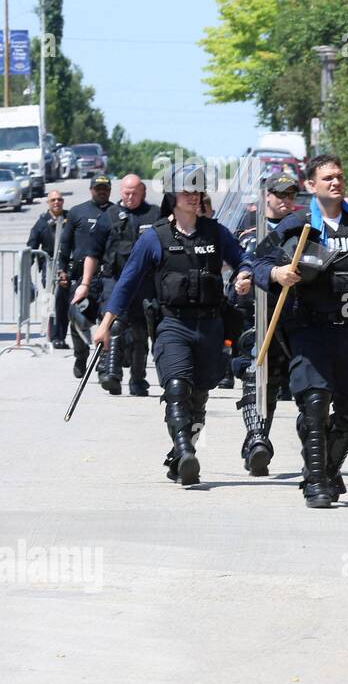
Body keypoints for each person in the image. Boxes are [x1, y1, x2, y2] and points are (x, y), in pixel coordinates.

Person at [250, 154, 348, 509]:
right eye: (327, 178)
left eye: (339, 177)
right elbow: (259, 261)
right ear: (312, 186)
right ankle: (316, 483)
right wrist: (277, 274)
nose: (335, 182)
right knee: (315, 404)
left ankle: (327, 470)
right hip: (309, 330)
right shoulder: (298, 224)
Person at [89, 165, 247, 485]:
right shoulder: (154, 237)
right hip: (173, 325)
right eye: (187, 191)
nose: (194, 197)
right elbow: (127, 283)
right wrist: (105, 324)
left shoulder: (215, 232)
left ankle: (179, 455)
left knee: (199, 400)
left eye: (198, 191)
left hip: (210, 326)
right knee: (177, 388)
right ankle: (186, 450)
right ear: (173, 196)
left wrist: (244, 275)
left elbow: (244, 259)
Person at [228, 173, 300, 476]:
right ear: (266, 196)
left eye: (290, 195)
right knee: (257, 378)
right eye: (279, 194)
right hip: (257, 316)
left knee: (290, 384)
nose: (285, 200)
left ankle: (262, 441)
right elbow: (240, 265)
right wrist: (241, 280)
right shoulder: (249, 232)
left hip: (295, 317)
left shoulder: (302, 229)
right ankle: (257, 440)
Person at [74, 174, 160, 396]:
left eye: (135, 193)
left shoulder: (154, 215)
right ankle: (111, 374)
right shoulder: (108, 216)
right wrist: (84, 283)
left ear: (143, 192)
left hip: (144, 282)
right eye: (126, 193)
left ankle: (138, 380)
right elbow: (93, 254)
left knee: (141, 329)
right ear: (120, 192)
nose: (130, 197)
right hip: (114, 279)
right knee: (114, 324)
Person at [60, 174, 114, 378]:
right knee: (78, 318)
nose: (102, 191)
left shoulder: (116, 212)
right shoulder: (77, 212)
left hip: (107, 275)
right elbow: (65, 244)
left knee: (105, 320)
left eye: (105, 188)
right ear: (91, 189)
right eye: (98, 188)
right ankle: (81, 355)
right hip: (81, 277)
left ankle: (103, 363)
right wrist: (62, 269)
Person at [27, 191, 70, 348]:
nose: (56, 202)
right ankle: (52, 335)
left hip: (68, 264)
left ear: (63, 201)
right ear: (48, 202)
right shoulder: (42, 222)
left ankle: (61, 335)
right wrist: (25, 267)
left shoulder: (70, 218)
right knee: (52, 299)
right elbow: (32, 245)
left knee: (64, 302)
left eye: (59, 199)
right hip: (49, 264)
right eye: (53, 200)